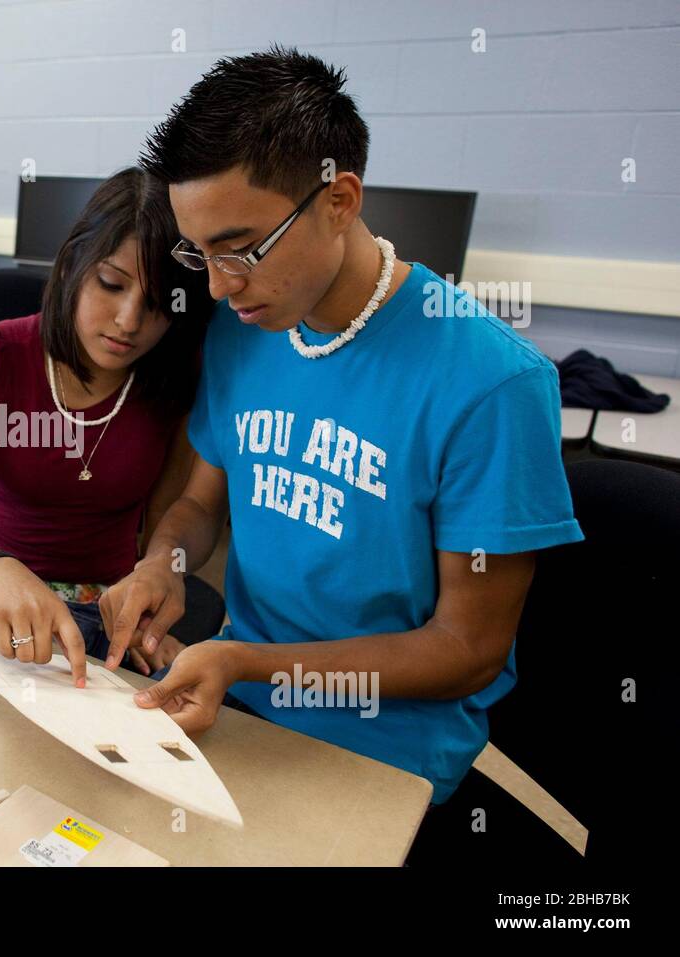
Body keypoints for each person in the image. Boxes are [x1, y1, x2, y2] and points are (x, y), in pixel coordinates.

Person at [99, 48, 583, 805]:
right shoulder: (250, 324)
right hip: (238, 700)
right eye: (202, 255)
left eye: (244, 249)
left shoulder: (492, 384)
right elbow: (200, 505)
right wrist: (164, 562)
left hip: (383, 746)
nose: (222, 288)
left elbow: (468, 649)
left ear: (339, 200)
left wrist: (247, 664)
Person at [0, 168, 214, 685]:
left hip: (98, 610)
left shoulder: (175, 377)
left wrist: (156, 585)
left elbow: (167, 525)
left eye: (157, 303)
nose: (129, 321)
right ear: (70, 269)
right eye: (111, 284)